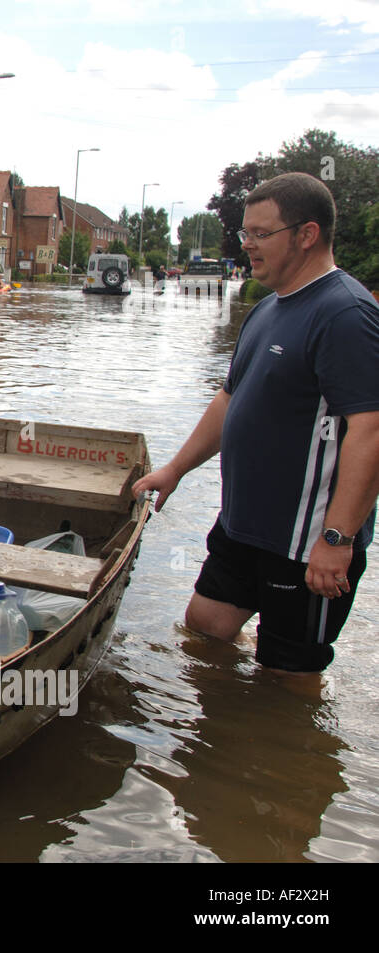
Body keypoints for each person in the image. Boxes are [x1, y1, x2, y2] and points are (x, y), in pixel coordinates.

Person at [133, 172, 379, 674]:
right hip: (245, 526)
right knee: (205, 630)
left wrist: (338, 540)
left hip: (305, 543)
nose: (247, 245)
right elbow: (230, 399)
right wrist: (175, 469)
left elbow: (370, 432)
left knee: (287, 680)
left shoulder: (345, 314)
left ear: (306, 234)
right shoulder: (267, 308)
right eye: (245, 233)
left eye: (260, 234)